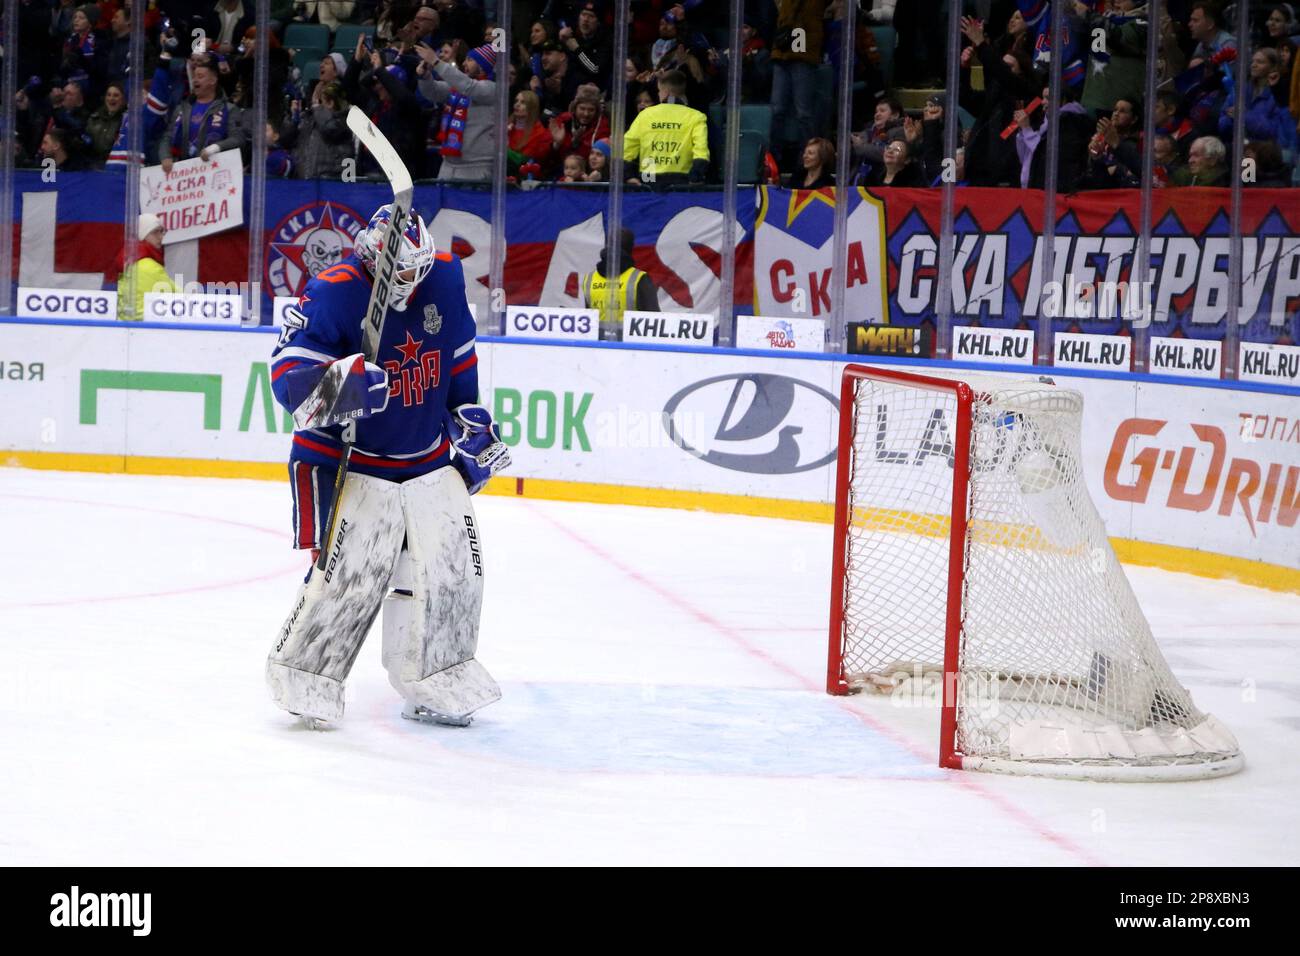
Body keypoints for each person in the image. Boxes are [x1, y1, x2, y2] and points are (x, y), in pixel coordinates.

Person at [266, 203, 511, 727]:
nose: (407, 282)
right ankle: (310, 675)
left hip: (425, 461)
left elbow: (458, 355)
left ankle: (433, 676)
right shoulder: (335, 289)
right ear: (371, 256)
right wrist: (342, 385)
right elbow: (286, 375)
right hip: (354, 463)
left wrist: (467, 421)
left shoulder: (444, 275)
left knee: (447, 578)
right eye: (396, 271)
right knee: (347, 580)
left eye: (414, 271)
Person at [416, 41, 497, 181]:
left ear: (483, 65)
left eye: (470, 60)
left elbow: (468, 87)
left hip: (477, 167)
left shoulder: (492, 89)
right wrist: (425, 76)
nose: (464, 63)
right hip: (448, 164)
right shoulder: (458, 88)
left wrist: (436, 62)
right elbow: (433, 92)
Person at [623, 70, 709, 186]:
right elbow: (701, 150)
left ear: (666, 93)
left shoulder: (645, 115)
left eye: (659, 91)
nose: (658, 94)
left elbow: (628, 146)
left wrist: (627, 175)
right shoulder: (696, 117)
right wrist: (696, 178)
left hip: (649, 177)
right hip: (681, 179)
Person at [582, 227, 661, 338]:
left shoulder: (589, 279)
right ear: (631, 248)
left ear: (606, 245)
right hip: (631, 347)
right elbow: (655, 321)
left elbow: (586, 319)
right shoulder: (639, 279)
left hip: (598, 345)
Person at [107, 213, 179, 321]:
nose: (161, 236)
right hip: (145, 328)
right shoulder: (146, 265)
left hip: (133, 326)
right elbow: (178, 298)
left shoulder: (130, 260)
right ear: (142, 234)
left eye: (162, 231)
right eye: (155, 232)